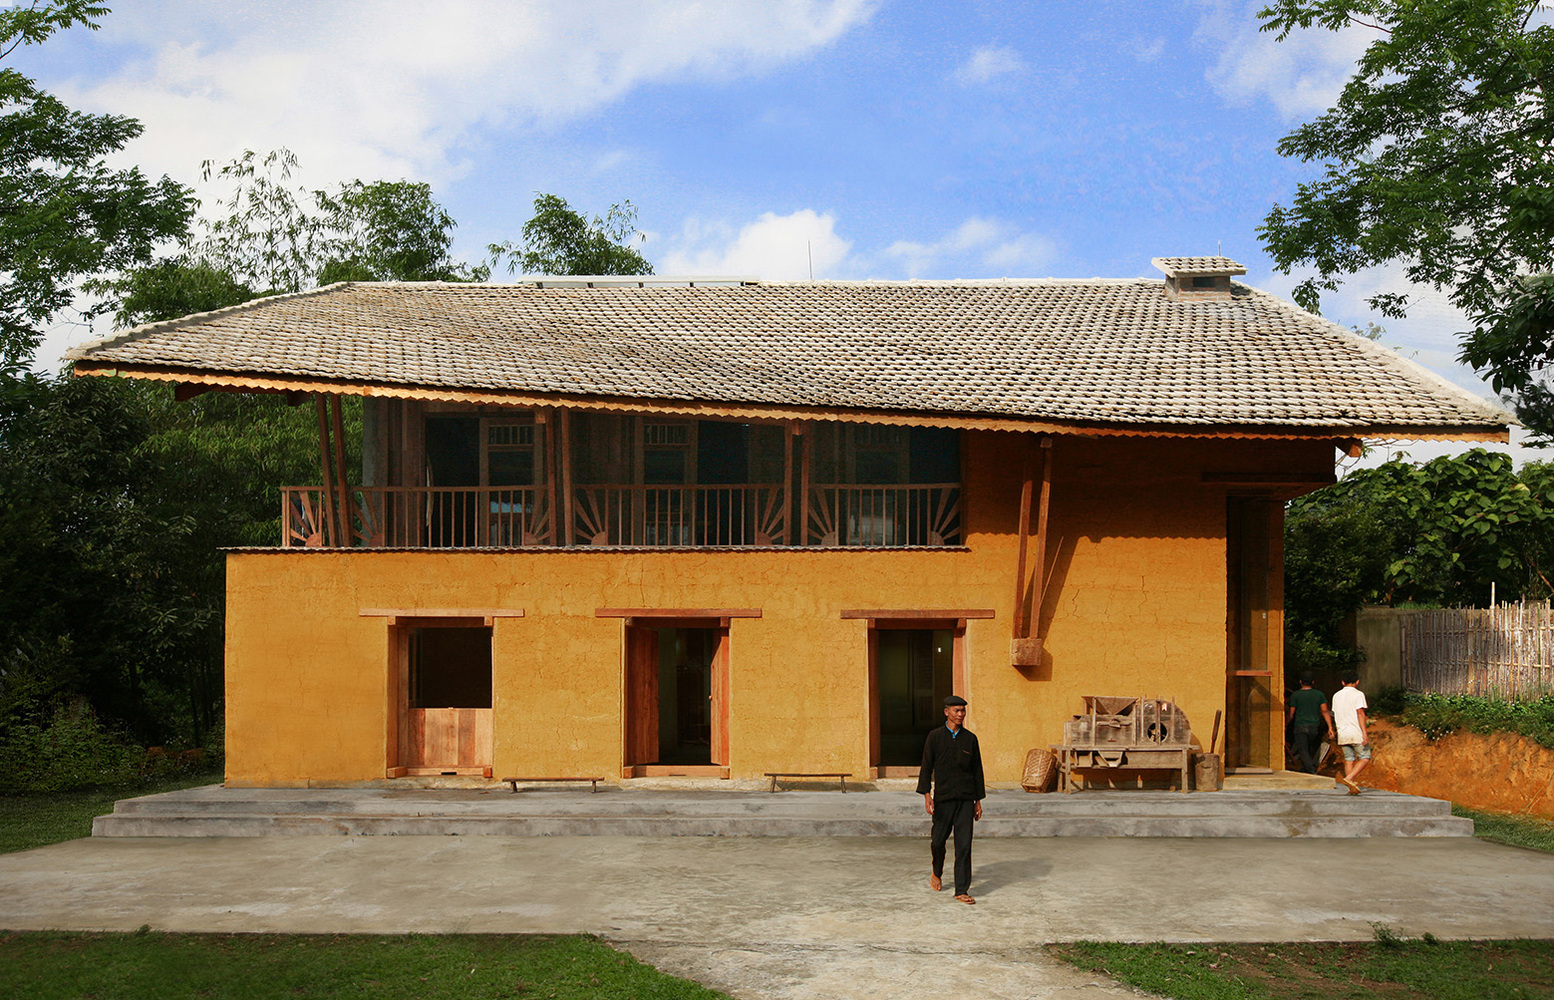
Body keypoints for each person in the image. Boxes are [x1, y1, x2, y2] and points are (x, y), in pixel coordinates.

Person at [917, 694, 985, 904]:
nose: (960, 714)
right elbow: (927, 766)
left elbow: (977, 771)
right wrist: (927, 794)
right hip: (944, 799)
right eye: (956, 710)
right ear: (946, 712)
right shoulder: (935, 737)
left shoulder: (970, 739)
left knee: (964, 845)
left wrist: (978, 801)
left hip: (965, 799)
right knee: (938, 842)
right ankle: (937, 870)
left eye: (963, 710)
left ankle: (961, 889)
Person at [1330, 671, 1370, 794]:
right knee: (1365, 757)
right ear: (1357, 682)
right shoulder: (1358, 695)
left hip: (1342, 732)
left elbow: (1334, 713)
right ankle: (1349, 778)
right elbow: (1360, 713)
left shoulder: (1336, 695)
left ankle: (1350, 786)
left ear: (1343, 682)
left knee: (1349, 758)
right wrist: (1364, 732)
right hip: (1355, 731)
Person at [1286, 673, 1334, 774]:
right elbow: (1325, 711)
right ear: (1313, 682)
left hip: (1300, 726)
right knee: (1311, 748)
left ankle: (1311, 770)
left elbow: (1291, 713)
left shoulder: (1296, 695)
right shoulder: (1319, 695)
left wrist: (1285, 725)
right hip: (1314, 726)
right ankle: (1306, 767)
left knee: (1303, 749)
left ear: (1300, 682)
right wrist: (1330, 727)